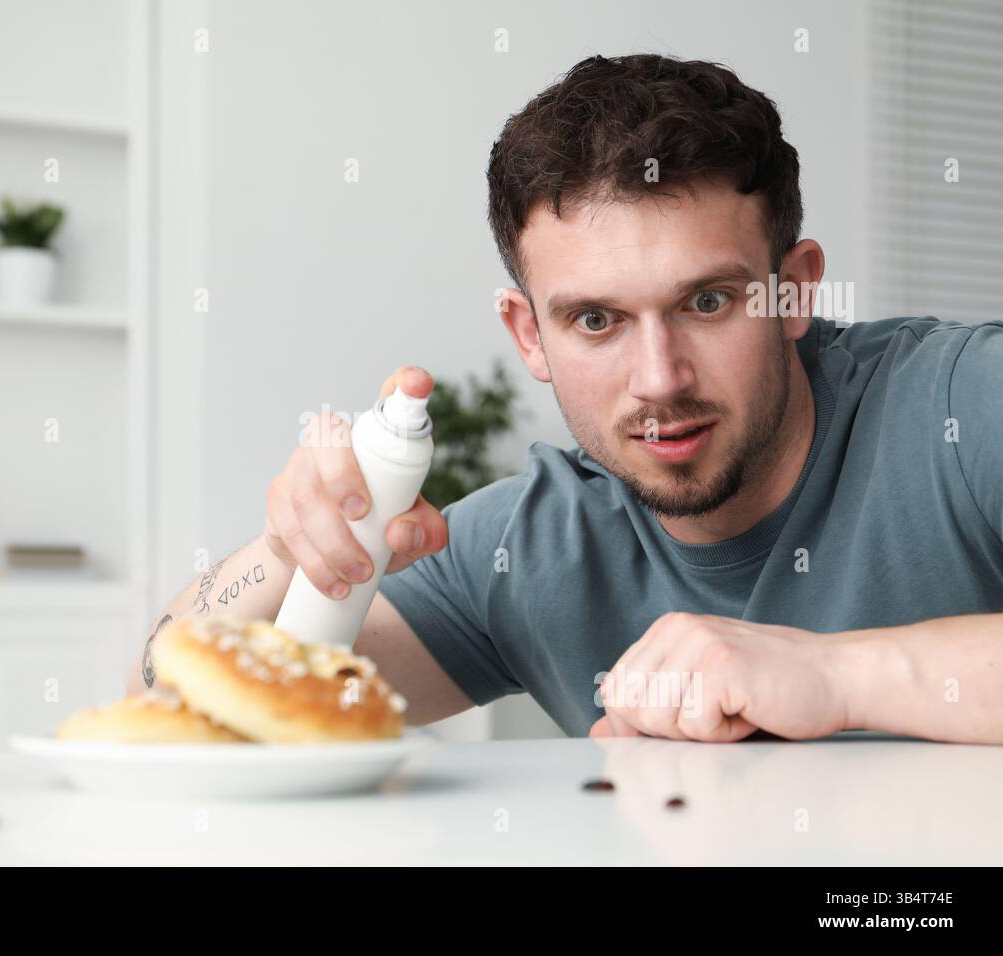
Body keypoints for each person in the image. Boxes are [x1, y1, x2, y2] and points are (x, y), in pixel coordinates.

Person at [133, 53, 1003, 744]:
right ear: (528, 335)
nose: (660, 378)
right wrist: (288, 553)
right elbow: (169, 700)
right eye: (596, 319)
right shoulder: (530, 547)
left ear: (794, 291)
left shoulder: (963, 406)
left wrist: (832, 677)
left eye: (707, 302)